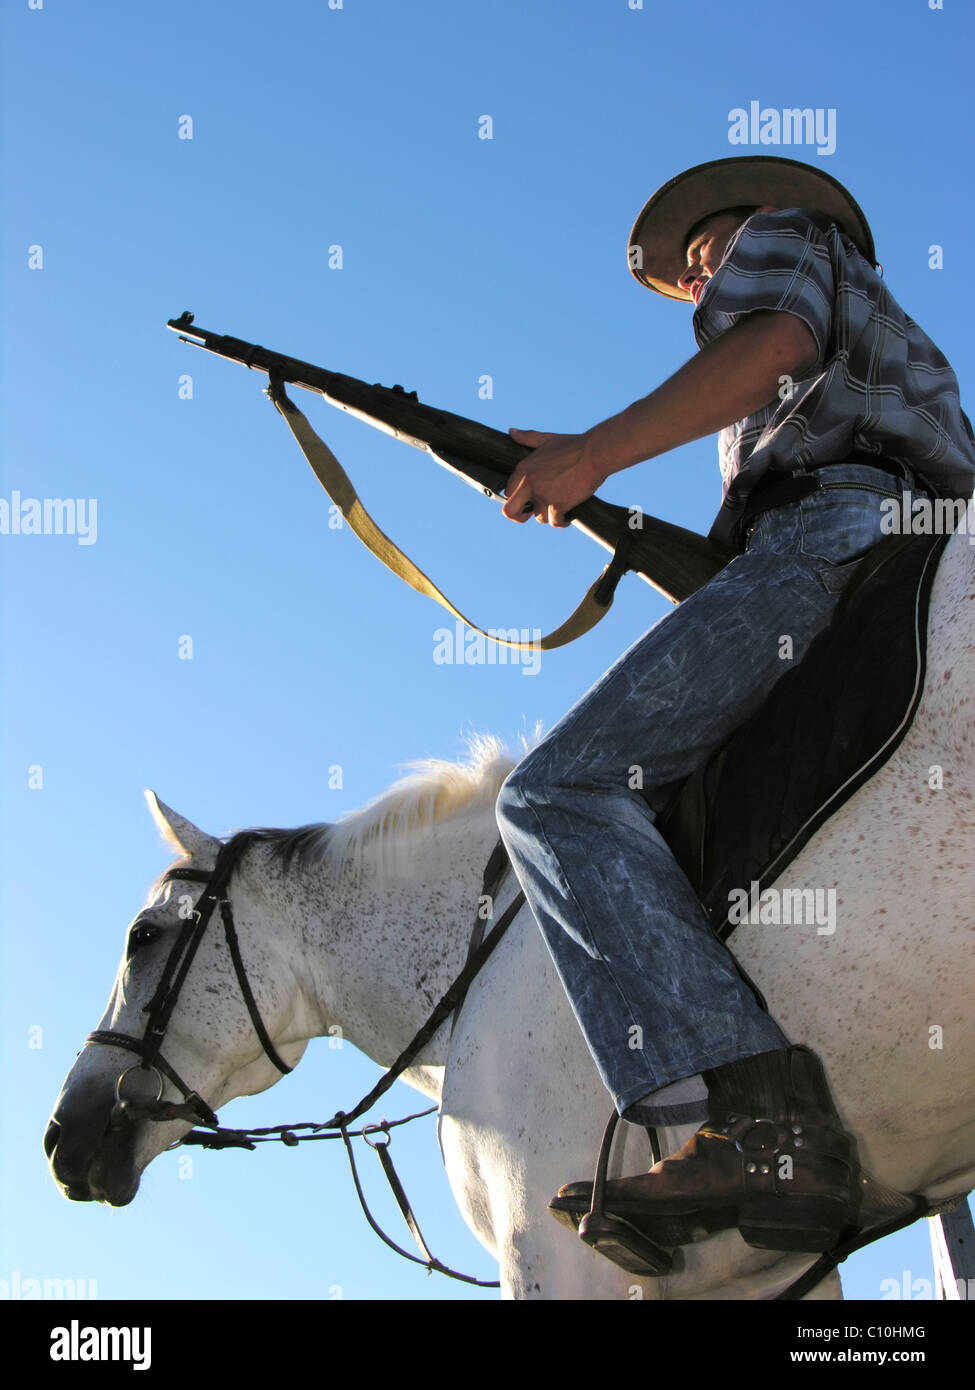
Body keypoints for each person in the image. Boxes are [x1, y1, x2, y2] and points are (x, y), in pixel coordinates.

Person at [494, 155, 975, 1272]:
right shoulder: (887, 340)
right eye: (699, 273)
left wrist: (591, 453)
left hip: (834, 539)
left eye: (699, 262)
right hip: (898, 539)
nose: (703, 283)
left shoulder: (782, 239)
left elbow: (770, 353)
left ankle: (766, 1122)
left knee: (555, 793)